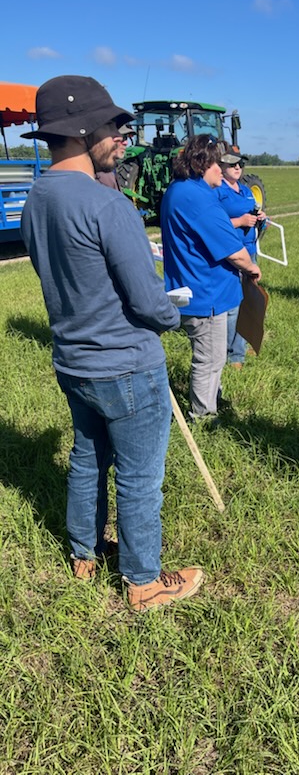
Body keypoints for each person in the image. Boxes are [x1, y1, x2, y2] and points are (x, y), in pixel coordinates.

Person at [20, 75, 204, 611]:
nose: (123, 135)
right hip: (126, 364)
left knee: (86, 457)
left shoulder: (37, 198)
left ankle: (83, 556)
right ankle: (144, 583)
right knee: (141, 478)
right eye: (112, 126)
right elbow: (148, 303)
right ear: (80, 132)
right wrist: (173, 311)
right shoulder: (109, 205)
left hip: (73, 360)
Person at [161, 136, 262, 420]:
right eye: (219, 164)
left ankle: (209, 402)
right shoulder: (198, 199)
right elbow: (235, 252)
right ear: (202, 163)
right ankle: (204, 417)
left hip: (189, 285)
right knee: (211, 359)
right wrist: (251, 268)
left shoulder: (179, 190)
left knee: (210, 356)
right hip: (207, 294)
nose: (224, 170)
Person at [215, 151, 266, 370]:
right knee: (232, 305)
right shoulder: (218, 192)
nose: (238, 167)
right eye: (233, 164)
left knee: (248, 302)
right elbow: (213, 223)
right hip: (230, 253)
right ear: (222, 168)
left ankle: (241, 346)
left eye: (241, 164)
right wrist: (239, 221)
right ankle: (230, 355)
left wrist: (262, 219)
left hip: (249, 251)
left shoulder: (245, 191)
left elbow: (254, 216)